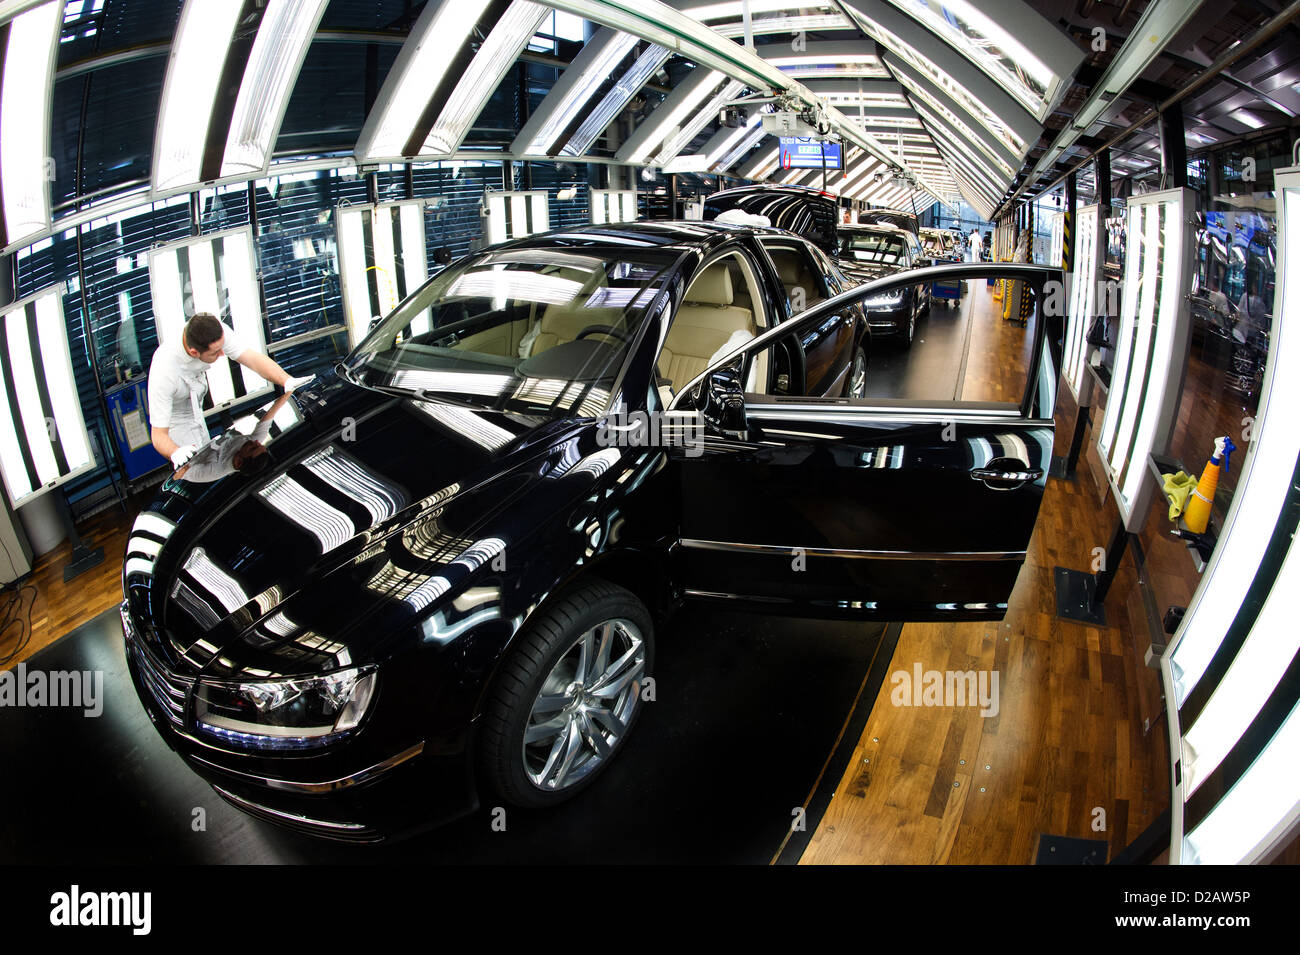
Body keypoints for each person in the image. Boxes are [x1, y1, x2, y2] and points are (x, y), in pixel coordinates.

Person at [148, 312, 312, 470]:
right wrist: (175, 452)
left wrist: (286, 380)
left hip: (196, 413)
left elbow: (251, 359)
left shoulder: (213, 330)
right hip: (177, 428)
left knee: (212, 461)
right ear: (194, 352)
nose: (222, 353)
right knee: (196, 469)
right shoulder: (164, 371)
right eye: (215, 352)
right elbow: (158, 435)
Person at [172, 391, 293, 484]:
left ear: (239, 462)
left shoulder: (215, 471)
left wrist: (181, 452)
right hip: (198, 427)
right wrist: (290, 388)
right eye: (259, 445)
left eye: (253, 448)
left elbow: (178, 475)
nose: (255, 441)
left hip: (182, 441)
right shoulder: (253, 442)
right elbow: (272, 413)